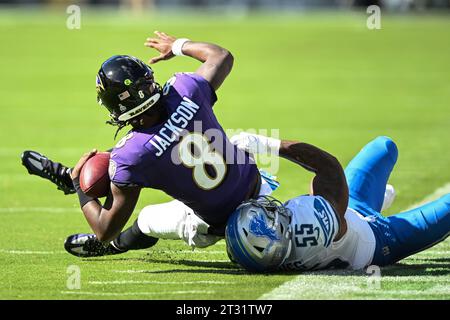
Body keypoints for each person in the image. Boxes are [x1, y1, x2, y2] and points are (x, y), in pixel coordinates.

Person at [21, 31, 279, 257]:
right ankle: (68, 176)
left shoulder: (131, 154)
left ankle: (107, 242)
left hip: (225, 223)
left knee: (146, 219)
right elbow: (221, 56)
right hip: (255, 182)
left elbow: (104, 229)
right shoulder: (186, 89)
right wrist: (177, 45)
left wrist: (81, 186)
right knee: (227, 141)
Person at [225, 133, 449, 272]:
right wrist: (267, 145)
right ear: (280, 229)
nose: (269, 208)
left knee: (384, 146)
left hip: (347, 213)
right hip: (378, 241)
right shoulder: (308, 229)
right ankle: (376, 205)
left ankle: (377, 200)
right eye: (269, 215)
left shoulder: (260, 252)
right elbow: (328, 168)